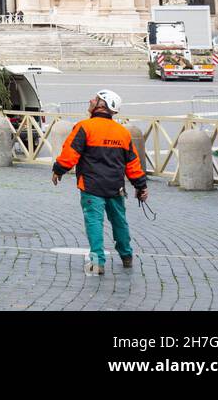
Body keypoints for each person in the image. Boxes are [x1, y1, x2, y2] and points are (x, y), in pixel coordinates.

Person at [52, 89, 148, 275]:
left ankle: (97, 262)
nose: (91, 100)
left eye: (95, 98)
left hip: (91, 186)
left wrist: (58, 170)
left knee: (94, 223)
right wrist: (141, 186)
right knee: (120, 222)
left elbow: (70, 153)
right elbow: (133, 164)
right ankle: (127, 256)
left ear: (101, 105)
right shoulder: (123, 133)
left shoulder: (84, 127)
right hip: (116, 188)